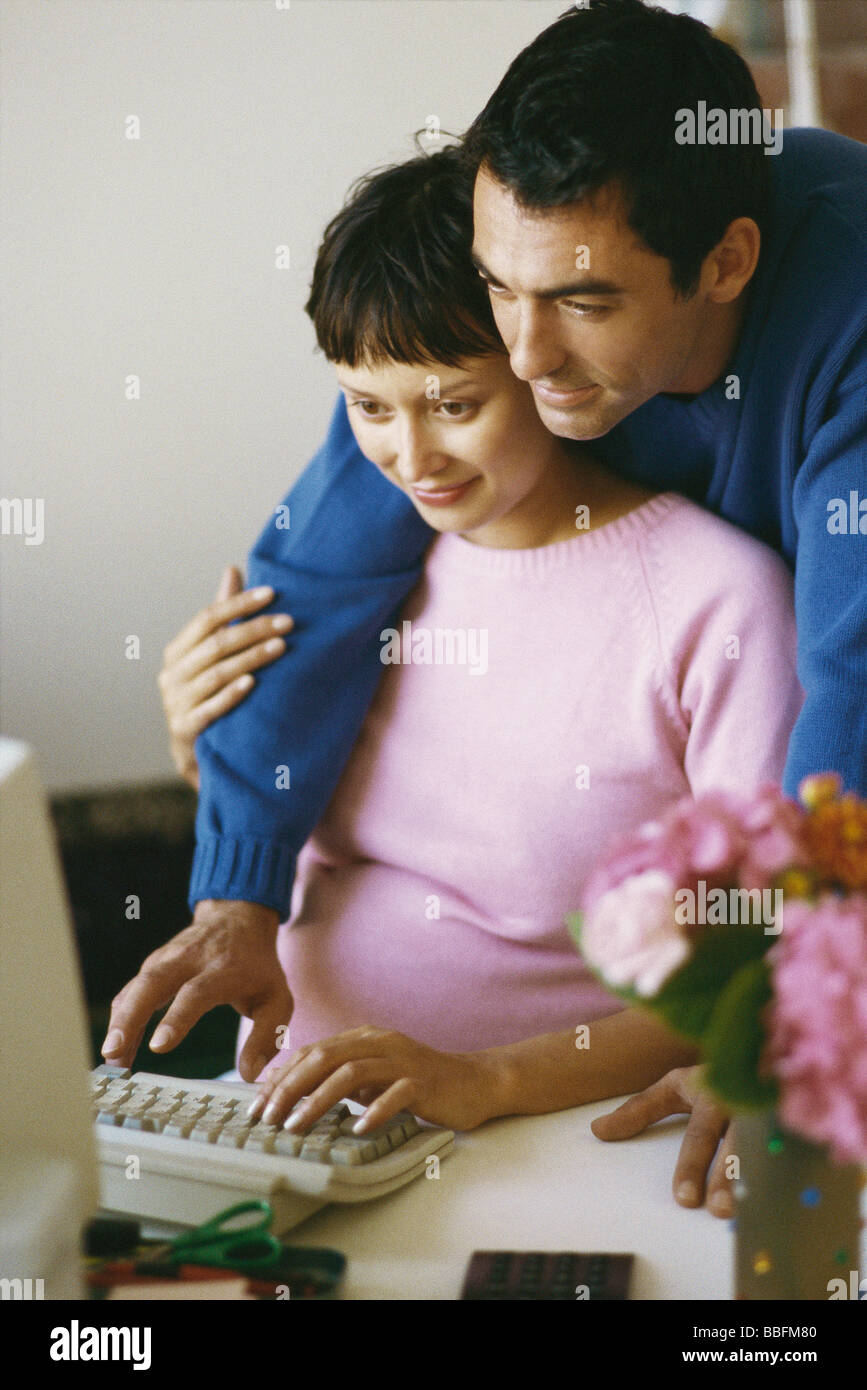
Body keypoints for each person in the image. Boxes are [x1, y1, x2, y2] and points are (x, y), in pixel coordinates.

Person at [104, 0, 867, 1212]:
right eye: (495, 290)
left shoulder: (843, 335)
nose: (518, 353)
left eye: (582, 304)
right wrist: (236, 882)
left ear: (725, 262)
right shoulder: (496, 322)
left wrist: (785, 1008)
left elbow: (853, 685)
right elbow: (315, 581)